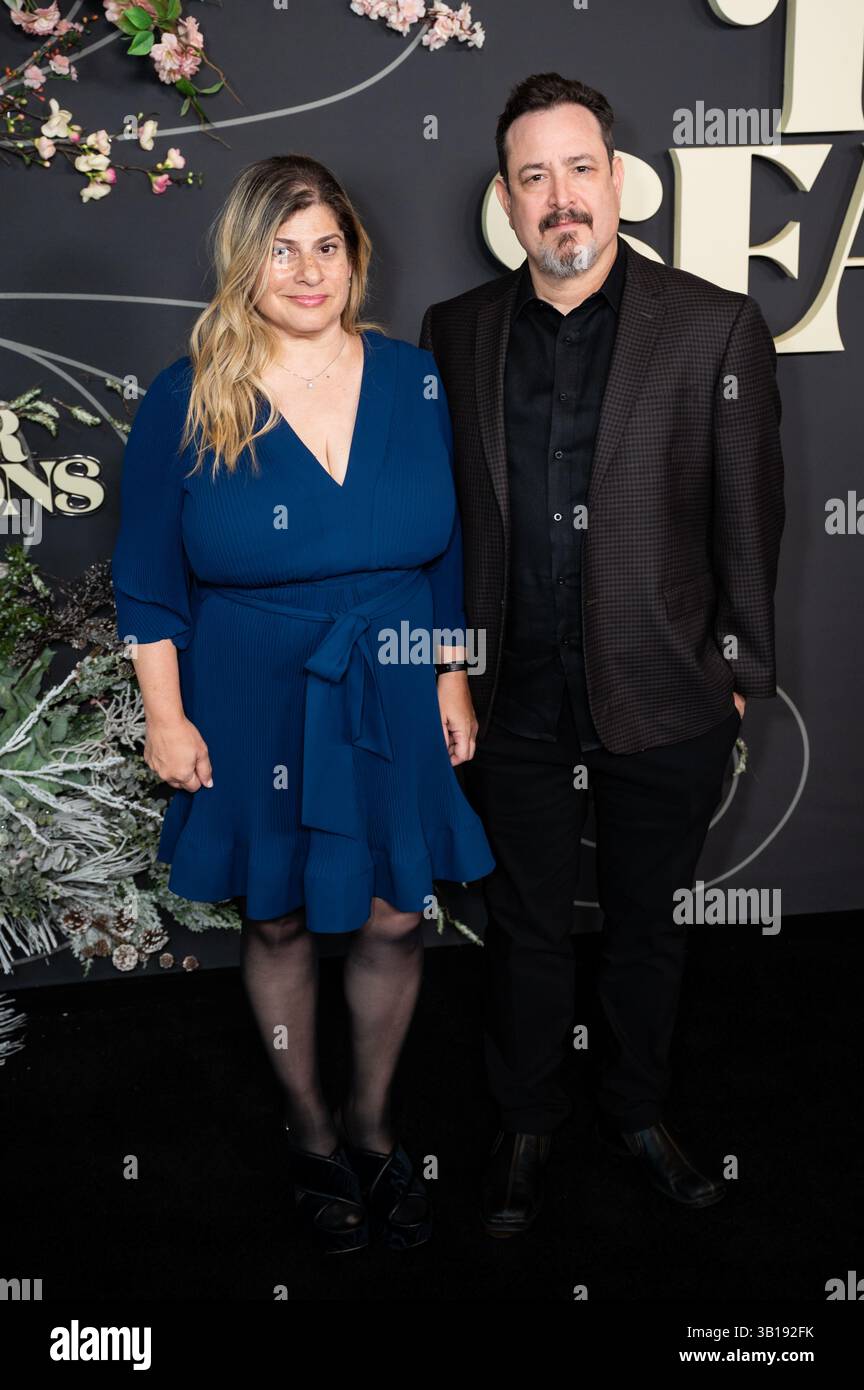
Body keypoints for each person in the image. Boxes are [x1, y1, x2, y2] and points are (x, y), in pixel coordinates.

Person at [420, 73, 784, 1237]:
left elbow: (750, 515)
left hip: (665, 690)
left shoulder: (713, 324)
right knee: (522, 925)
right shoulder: (458, 331)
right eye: (534, 176)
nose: (560, 197)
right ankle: (526, 1119)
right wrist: (452, 667)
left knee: (646, 925)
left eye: (579, 169)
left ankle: (634, 1107)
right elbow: (445, 526)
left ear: (617, 181)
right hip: (512, 696)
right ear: (507, 199)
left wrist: (740, 676)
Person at [111, 153, 494, 1254]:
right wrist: (168, 716)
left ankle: (376, 1129)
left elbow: (448, 549)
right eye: (281, 247)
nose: (307, 269)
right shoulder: (190, 393)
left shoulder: (415, 378)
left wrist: (451, 673)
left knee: (392, 911)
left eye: (326, 244)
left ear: (354, 257)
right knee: (274, 911)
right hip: (250, 688)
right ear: (244, 258)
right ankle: (311, 1129)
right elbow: (147, 579)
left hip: (392, 673)